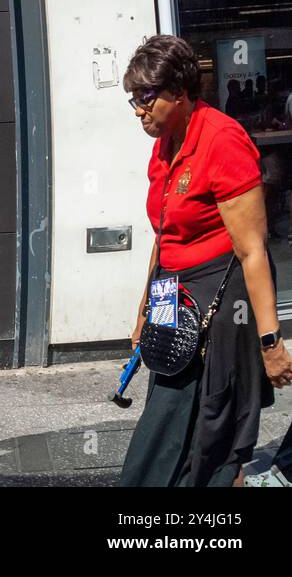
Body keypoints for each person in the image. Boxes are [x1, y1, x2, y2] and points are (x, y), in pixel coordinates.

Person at [120, 35, 291, 487]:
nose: (138, 109)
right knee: (168, 402)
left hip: (222, 292)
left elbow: (253, 248)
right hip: (173, 290)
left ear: (179, 91)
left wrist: (271, 342)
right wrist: (145, 314)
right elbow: (165, 236)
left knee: (212, 421)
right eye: (132, 99)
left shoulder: (222, 139)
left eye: (145, 98)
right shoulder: (165, 142)